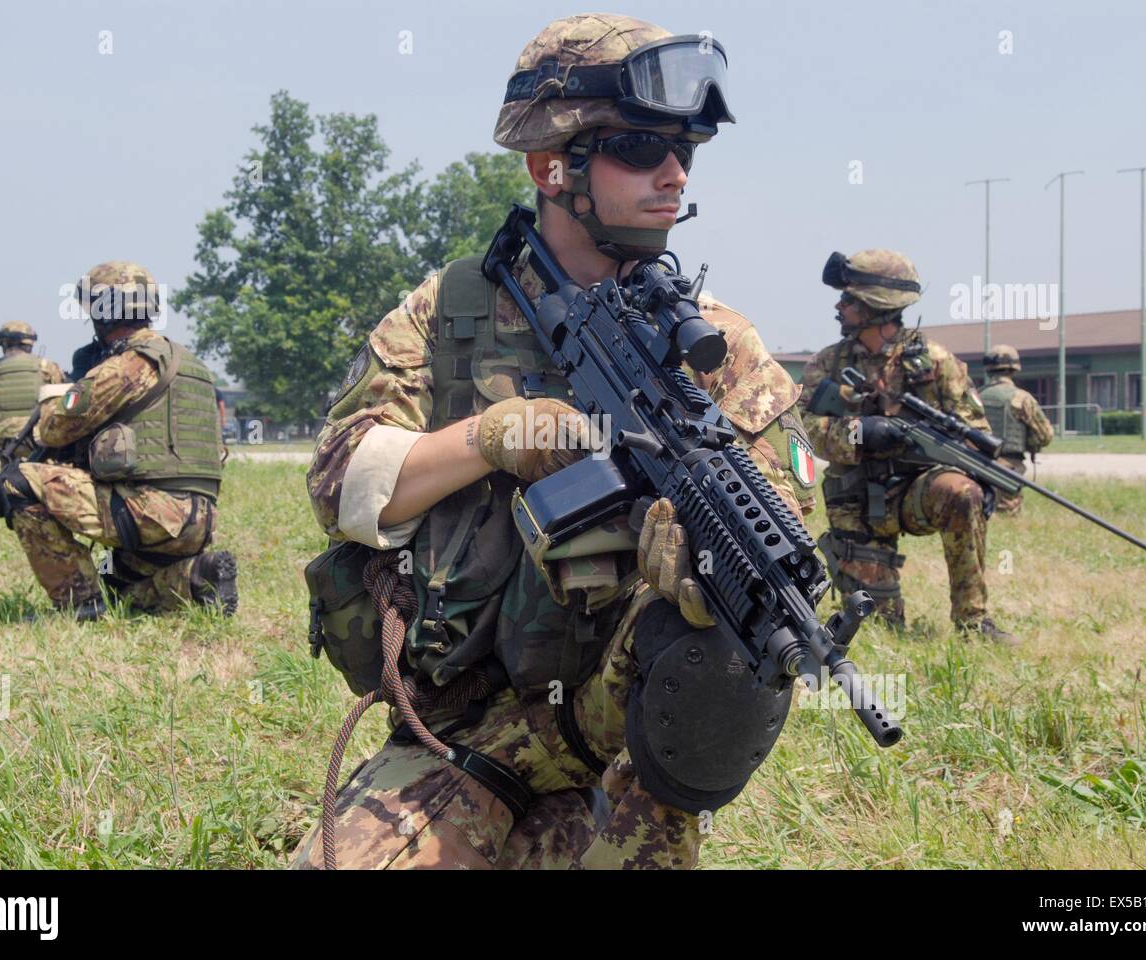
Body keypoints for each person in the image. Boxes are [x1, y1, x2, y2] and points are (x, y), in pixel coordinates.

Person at [290, 14, 820, 870]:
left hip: (621, 733)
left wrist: (704, 583)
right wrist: (489, 437)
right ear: (552, 165)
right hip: (461, 729)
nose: (675, 173)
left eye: (687, 148)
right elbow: (338, 480)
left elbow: (784, 525)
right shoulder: (450, 313)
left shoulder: (719, 348)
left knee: (717, 645)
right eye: (642, 147)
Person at [0, 261, 237, 620]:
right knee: (114, 579)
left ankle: (80, 605)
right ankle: (196, 579)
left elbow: (54, 429)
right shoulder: (191, 364)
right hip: (197, 521)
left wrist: (57, 397)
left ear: (101, 313)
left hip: (150, 513)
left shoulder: (129, 364)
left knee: (16, 482)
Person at [798, 250, 1019, 645]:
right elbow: (803, 430)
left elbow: (975, 431)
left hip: (917, 491)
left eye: (848, 299)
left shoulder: (936, 362)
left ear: (875, 307)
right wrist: (861, 432)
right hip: (857, 499)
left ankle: (973, 622)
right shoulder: (827, 365)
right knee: (877, 624)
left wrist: (979, 481)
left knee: (962, 493)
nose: (839, 305)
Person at [0, 322, 64, 460]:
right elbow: (63, 403)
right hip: (38, 437)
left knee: (8, 475)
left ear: (3, 344)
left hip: (3, 439)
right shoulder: (47, 368)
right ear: (29, 343)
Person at [979, 345, 1053, 516]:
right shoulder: (1021, 398)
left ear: (988, 368)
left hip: (977, 463)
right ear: (1014, 368)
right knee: (1007, 516)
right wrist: (1030, 441)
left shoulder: (976, 396)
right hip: (1009, 467)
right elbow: (1045, 435)